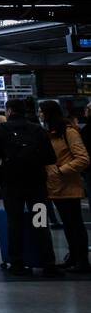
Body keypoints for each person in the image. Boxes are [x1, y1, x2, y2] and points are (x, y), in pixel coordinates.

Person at [0, 96, 63, 277]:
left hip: (11, 186)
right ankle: (48, 263)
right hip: (36, 185)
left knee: (14, 222)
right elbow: (50, 158)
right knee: (40, 222)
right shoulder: (37, 130)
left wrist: (0, 181)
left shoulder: (1, 130)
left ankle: (16, 262)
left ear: (8, 111)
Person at [39, 101, 90, 273]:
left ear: (48, 114)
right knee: (69, 225)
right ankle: (74, 257)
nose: (40, 115)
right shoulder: (52, 133)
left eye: (42, 112)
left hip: (68, 185)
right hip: (56, 187)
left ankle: (82, 261)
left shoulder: (69, 132)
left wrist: (61, 171)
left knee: (75, 225)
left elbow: (83, 158)